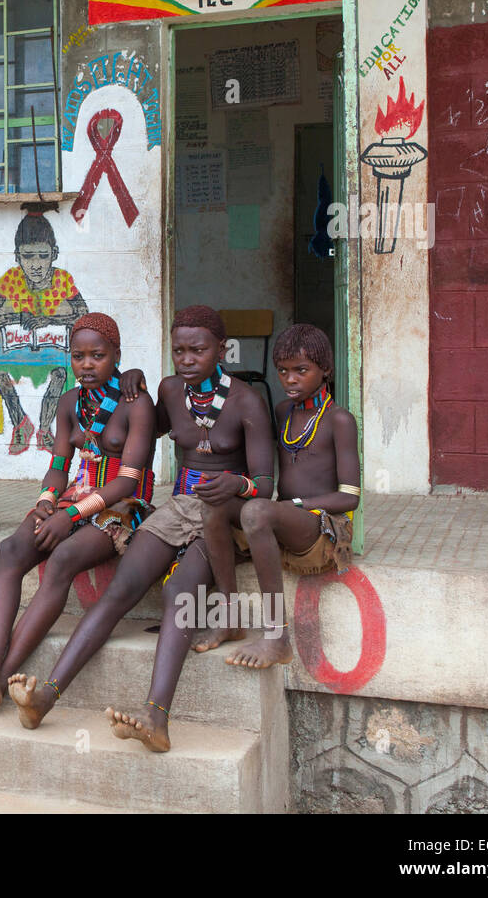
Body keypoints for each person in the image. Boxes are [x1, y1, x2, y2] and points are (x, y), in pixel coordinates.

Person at [0, 313, 154, 714]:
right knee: (12, 550)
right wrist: (48, 502)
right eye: (78, 356)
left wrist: (71, 515)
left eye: (97, 356)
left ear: (116, 355)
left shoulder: (137, 403)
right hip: (74, 498)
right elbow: (59, 466)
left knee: (63, 557)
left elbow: (128, 482)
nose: (86, 365)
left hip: (123, 507)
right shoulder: (68, 402)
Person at [98, 306, 274, 752]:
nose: (188, 358)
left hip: (222, 514)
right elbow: (126, 435)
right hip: (177, 507)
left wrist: (238, 484)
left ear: (221, 349)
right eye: (179, 350)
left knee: (181, 592)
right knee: (126, 583)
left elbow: (267, 485)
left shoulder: (246, 401)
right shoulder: (171, 391)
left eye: (199, 349)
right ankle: (50, 689)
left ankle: (157, 716)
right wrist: (129, 382)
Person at [223, 323, 360, 669]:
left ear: (325, 370)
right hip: (287, 523)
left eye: (302, 370)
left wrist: (292, 505)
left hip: (324, 529)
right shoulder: (283, 412)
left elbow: (349, 498)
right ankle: (228, 616)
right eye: (283, 371)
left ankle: (277, 636)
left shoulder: (339, 419)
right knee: (215, 508)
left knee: (256, 512)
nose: (290, 380)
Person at [0, 202, 89, 454]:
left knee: (61, 374)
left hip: (51, 349)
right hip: (19, 350)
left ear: (54, 253)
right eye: (28, 257)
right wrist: (18, 314)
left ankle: (44, 429)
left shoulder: (62, 279)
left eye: (43, 255)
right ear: (18, 256)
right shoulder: (10, 279)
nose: (36, 265)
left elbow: (83, 314)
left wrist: (48, 319)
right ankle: (21, 423)